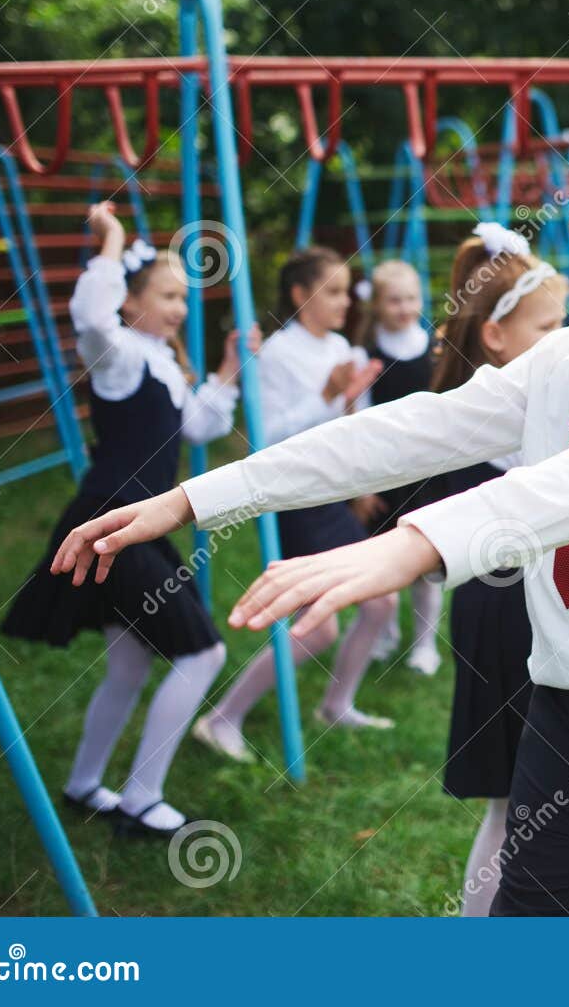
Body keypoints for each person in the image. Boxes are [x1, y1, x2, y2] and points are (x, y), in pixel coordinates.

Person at [53, 101, 569, 916]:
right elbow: (408, 430)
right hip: (564, 720)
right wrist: (196, 497)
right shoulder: (564, 354)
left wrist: (417, 542)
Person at [2, 203, 253, 836]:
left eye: (183, 297)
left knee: (131, 663)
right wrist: (110, 242)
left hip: (136, 522)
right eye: (166, 295)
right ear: (131, 297)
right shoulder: (118, 358)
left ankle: (85, 784)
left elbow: (199, 426)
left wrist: (227, 371)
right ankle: (142, 799)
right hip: (110, 521)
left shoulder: (160, 362)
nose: (179, 308)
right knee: (202, 653)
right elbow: (88, 315)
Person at [191, 246, 396, 764]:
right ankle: (221, 718)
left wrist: (351, 408)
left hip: (331, 488)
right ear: (301, 295)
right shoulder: (279, 352)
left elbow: (352, 422)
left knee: (379, 602)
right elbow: (268, 437)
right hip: (294, 495)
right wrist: (327, 396)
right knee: (320, 624)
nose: (344, 302)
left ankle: (335, 704)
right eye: (332, 292)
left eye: (347, 291)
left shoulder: (341, 347)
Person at [426, 224, 569, 916]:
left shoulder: (539, 396)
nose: (566, 337)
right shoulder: (495, 411)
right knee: (515, 803)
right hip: (509, 619)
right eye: (550, 326)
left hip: (534, 611)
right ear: (496, 336)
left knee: (541, 803)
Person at [353, 256, 443, 675]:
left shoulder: (433, 347)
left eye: (411, 299)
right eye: (394, 301)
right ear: (377, 305)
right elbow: (358, 419)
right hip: (383, 470)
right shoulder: (365, 355)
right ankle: (383, 633)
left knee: (428, 562)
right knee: (384, 557)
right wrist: (363, 486)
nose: (405, 308)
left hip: (427, 468)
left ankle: (426, 645)